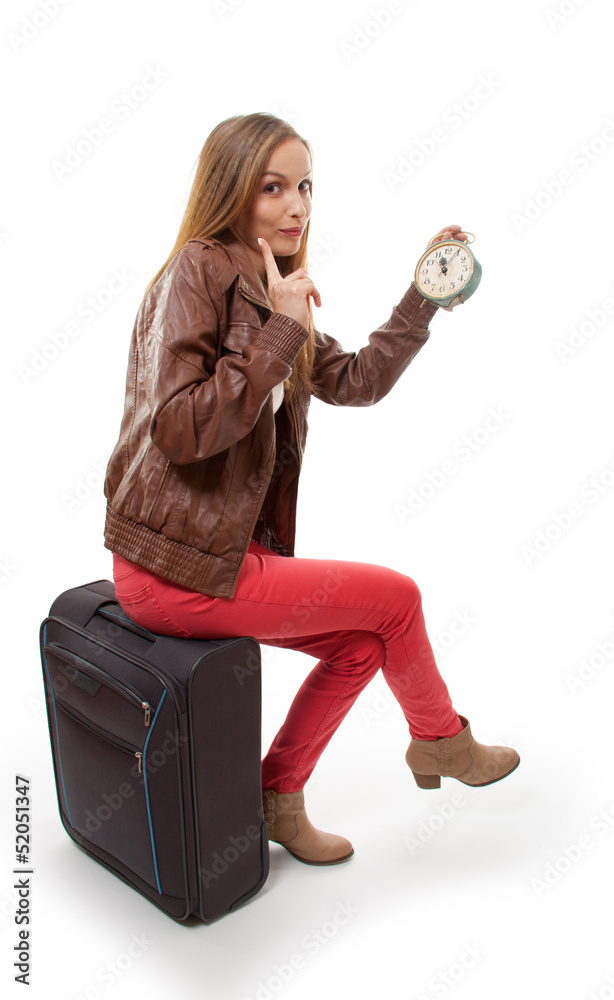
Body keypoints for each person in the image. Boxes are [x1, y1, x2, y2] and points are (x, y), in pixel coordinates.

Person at [103, 112, 519, 868]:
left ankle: (277, 796)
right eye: (273, 187)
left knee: (364, 643)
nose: (297, 206)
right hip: (173, 566)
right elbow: (176, 427)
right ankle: (441, 742)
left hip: (213, 560)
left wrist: (424, 296)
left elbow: (357, 380)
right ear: (231, 189)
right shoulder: (198, 270)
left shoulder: (272, 289)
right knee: (398, 598)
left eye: (305, 187)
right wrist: (280, 335)